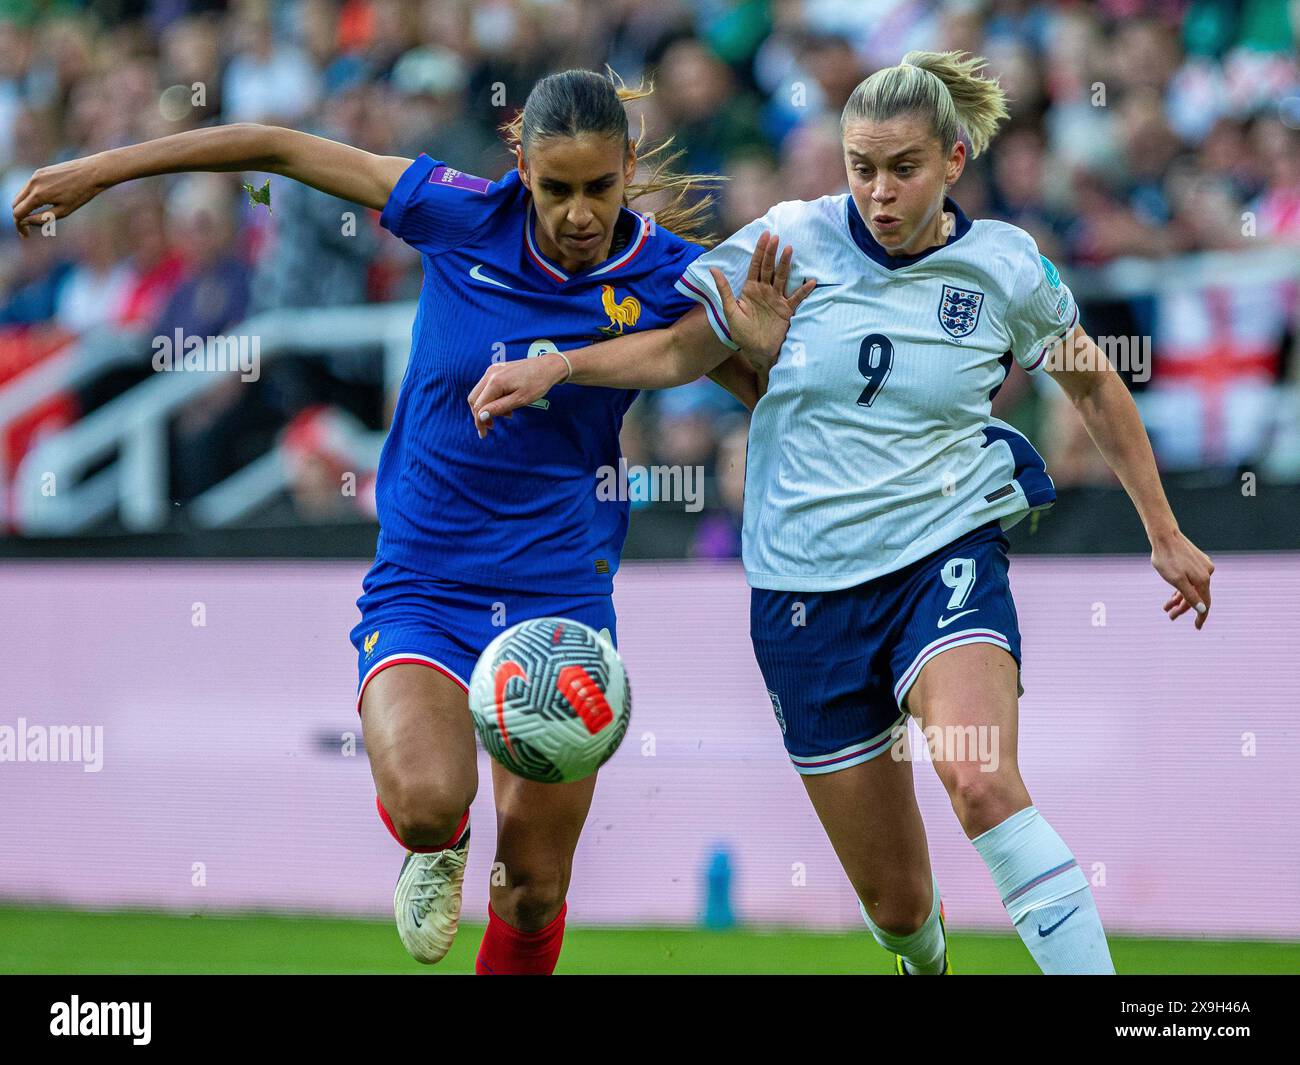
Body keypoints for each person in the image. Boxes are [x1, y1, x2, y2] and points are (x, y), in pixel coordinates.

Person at [469, 51, 1217, 975]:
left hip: (942, 559)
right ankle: (923, 961)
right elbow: (676, 351)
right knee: (898, 905)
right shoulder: (790, 241)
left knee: (981, 780)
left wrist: (1165, 530)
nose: (878, 190)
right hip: (803, 596)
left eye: (902, 168)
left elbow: (1095, 387)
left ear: (952, 159)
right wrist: (562, 364)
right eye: (861, 166)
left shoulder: (1005, 266)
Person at [12, 69, 771, 975]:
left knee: (531, 885)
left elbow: (746, 383)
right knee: (424, 803)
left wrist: (753, 350)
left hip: (561, 598)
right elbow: (281, 148)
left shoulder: (659, 272)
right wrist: (102, 169)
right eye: (555, 187)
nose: (577, 213)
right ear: (519, 165)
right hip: (428, 581)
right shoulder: (456, 213)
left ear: (628, 166)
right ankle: (435, 848)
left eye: (599, 188)